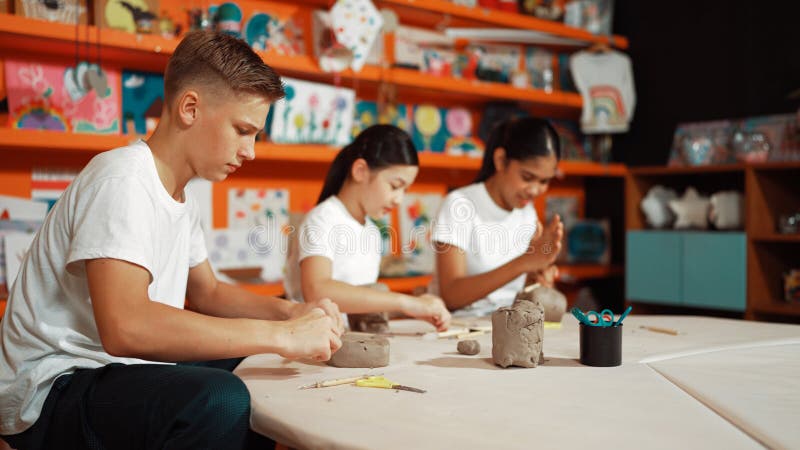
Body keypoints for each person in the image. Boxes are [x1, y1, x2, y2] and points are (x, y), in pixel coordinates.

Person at [0, 31, 343, 450]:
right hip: (50, 388)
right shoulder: (122, 179)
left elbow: (209, 293)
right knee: (221, 398)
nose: (250, 151)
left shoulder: (182, 196)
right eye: (242, 130)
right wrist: (283, 337)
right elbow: (126, 326)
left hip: (114, 370)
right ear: (190, 108)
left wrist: (292, 312)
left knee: (262, 368)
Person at [284, 124, 450, 331]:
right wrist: (405, 302)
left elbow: (362, 304)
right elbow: (317, 290)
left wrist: (418, 308)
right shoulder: (322, 219)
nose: (399, 199)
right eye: (395, 186)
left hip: (354, 339)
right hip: (313, 339)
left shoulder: (371, 231)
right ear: (360, 171)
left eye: (405, 190)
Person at [430, 117, 565, 317]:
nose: (535, 190)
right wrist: (525, 262)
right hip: (462, 325)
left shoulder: (527, 213)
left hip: (509, 325)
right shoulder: (459, 204)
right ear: (501, 160)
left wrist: (537, 280)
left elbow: (515, 293)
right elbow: (451, 296)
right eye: (527, 177)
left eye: (544, 181)